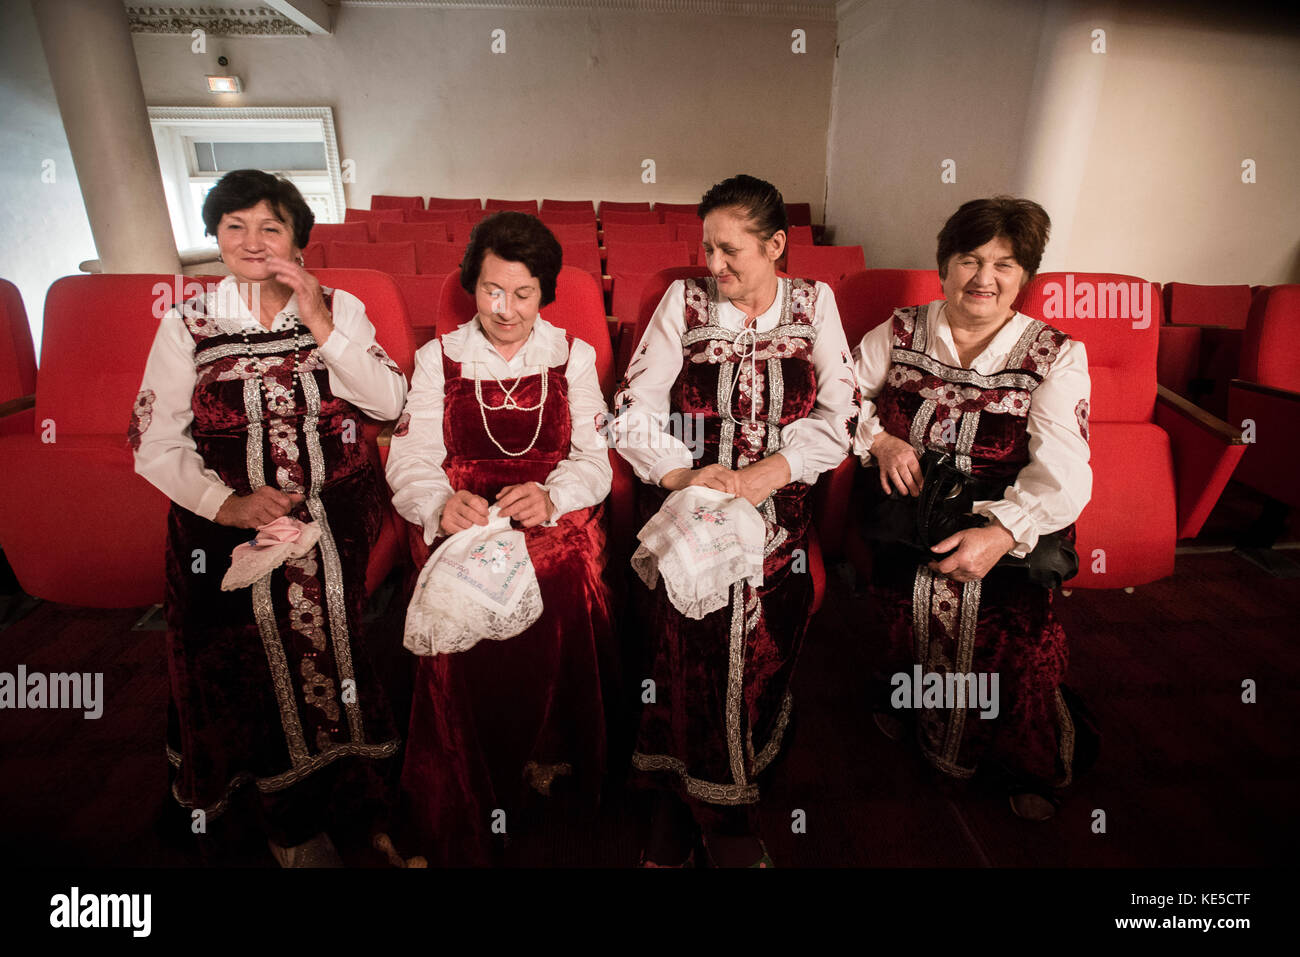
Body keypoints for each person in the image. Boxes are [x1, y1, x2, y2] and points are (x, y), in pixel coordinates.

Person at [131, 169, 409, 866]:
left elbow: (390, 404)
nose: (251, 241)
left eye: (270, 227)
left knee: (320, 621)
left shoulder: (336, 306)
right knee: (233, 630)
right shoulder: (186, 321)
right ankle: (281, 814)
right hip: (221, 509)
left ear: (299, 241)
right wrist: (227, 504)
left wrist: (321, 322)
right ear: (215, 237)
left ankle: (347, 793)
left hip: (334, 497)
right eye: (234, 226)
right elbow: (153, 439)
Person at [610, 174, 857, 866]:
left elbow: (844, 415)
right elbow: (632, 409)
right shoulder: (682, 302)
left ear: (776, 245)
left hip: (778, 495)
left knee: (747, 595)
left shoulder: (815, 304)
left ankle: (702, 789)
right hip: (693, 483)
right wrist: (684, 475)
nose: (713, 266)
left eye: (729, 251)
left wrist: (768, 475)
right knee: (697, 589)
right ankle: (702, 796)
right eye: (706, 250)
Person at [386, 211, 616, 866]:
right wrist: (437, 504)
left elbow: (593, 459)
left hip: (548, 508)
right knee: (459, 586)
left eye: (522, 293)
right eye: (492, 290)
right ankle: (462, 768)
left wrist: (553, 496)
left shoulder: (574, 356)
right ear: (472, 287)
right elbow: (409, 459)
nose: (506, 309)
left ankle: (548, 747)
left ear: (543, 292)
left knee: (559, 568)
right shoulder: (439, 358)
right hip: (464, 510)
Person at [852, 196, 1092, 821]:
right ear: (944, 267)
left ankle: (1022, 759)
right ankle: (910, 708)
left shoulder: (1056, 355)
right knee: (899, 610)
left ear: (1025, 277)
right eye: (969, 260)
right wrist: (878, 438)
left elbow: (1064, 472)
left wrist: (999, 531)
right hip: (909, 514)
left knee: (1015, 640)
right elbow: (839, 399)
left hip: (1011, 520)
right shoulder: (899, 330)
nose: (984, 278)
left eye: (1004, 265)